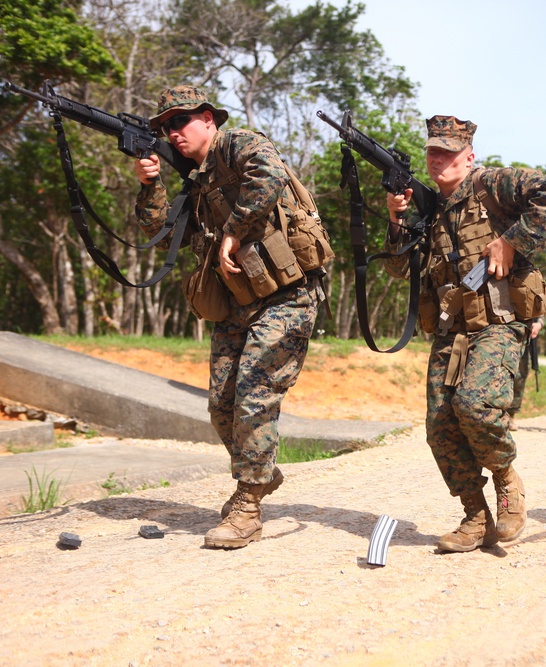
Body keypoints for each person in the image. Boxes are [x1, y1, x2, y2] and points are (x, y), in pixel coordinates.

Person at [134, 86, 329, 549]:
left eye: (179, 121)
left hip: (288, 293)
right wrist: (150, 185)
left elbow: (269, 177)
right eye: (165, 127)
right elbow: (162, 238)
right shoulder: (196, 181)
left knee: (254, 391)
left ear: (207, 118)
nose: (172, 132)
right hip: (237, 301)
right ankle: (260, 473)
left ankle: (247, 506)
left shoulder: (240, 144)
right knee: (222, 404)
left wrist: (232, 232)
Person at [384, 116, 546, 553]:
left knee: (475, 404)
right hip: (452, 328)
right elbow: (398, 269)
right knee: (440, 425)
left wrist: (512, 242)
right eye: (432, 151)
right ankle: (474, 516)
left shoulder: (493, 185)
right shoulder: (429, 209)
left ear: (469, 156)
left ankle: (507, 481)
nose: (438, 160)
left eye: (448, 152)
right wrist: (396, 218)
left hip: (499, 322)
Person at [509, 316, 545, 431]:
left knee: (520, 376)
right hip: (504, 330)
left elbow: (542, 309)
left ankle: (510, 415)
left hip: (525, 334)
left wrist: (539, 323)